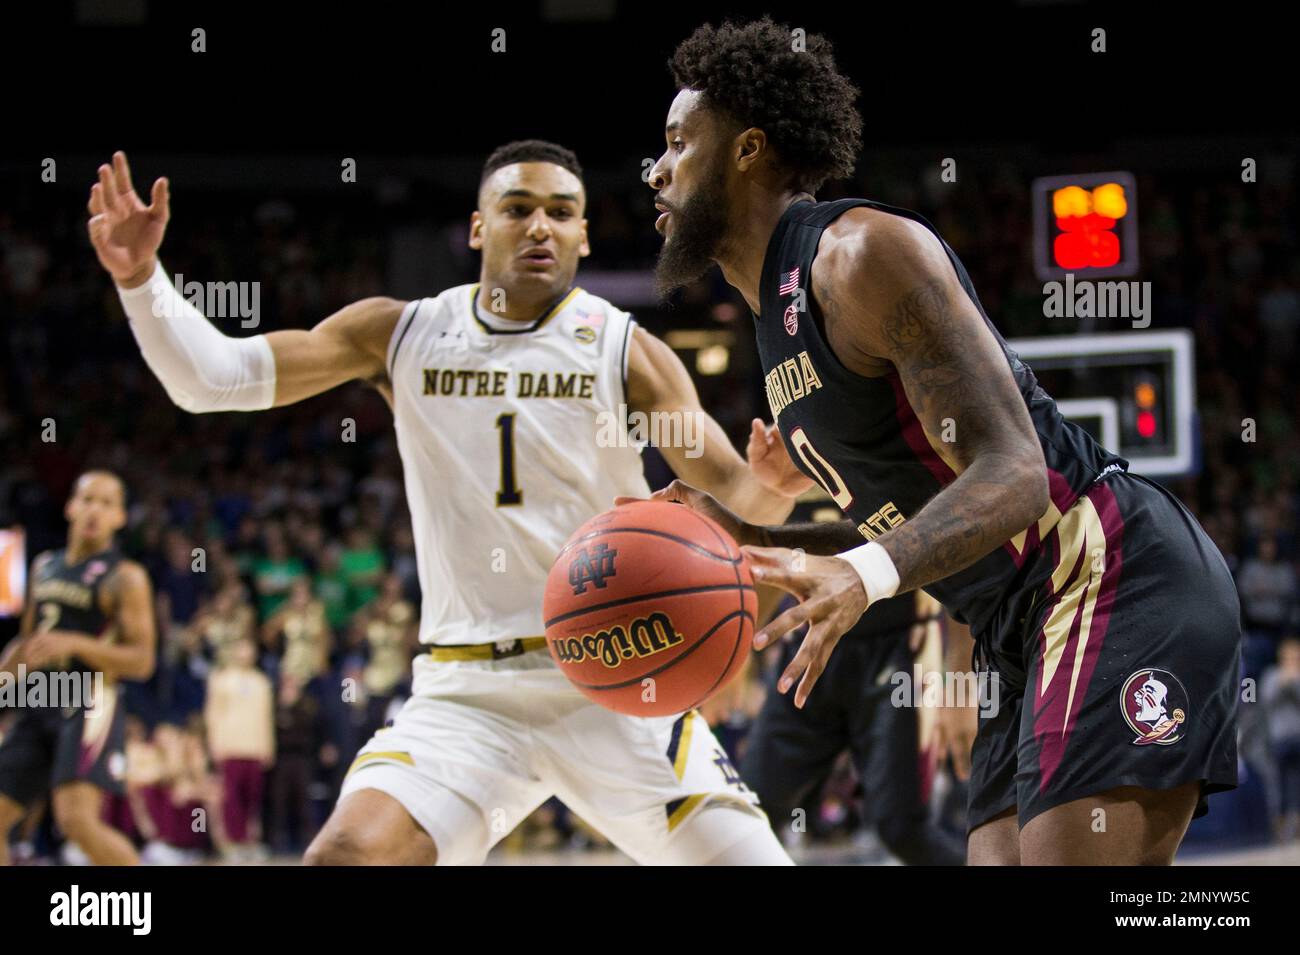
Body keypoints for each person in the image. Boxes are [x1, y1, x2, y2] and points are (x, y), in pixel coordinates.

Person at [87, 142, 808, 865]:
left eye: (561, 213)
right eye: (517, 209)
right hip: (467, 692)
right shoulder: (401, 332)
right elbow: (217, 378)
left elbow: (736, 489)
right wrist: (141, 279)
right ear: (475, 227)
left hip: (612, 678)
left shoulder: (625, 350)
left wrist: (774, 482)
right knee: (343, 856)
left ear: (584, 234)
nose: (539, 228)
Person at [642, 17, 1241, 865]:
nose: (656, 170)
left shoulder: (858, 257)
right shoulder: (771, 323)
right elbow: (912, 514)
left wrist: (864, 575)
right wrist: (754, 539)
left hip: (1106, 571)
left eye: (675, 142)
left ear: (746, 149)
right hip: (1015, 622)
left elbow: (1015, 476)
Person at [0, 470, 158, 865]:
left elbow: (142, 661)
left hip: (88, 699)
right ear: (70, 507)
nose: (95, 511)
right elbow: (30, 643)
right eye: (88, 499)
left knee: (76, 820)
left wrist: (74, 644)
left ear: (120, 518)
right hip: (40, 696)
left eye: (107, 504)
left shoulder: (126, 577)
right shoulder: (43, 566)